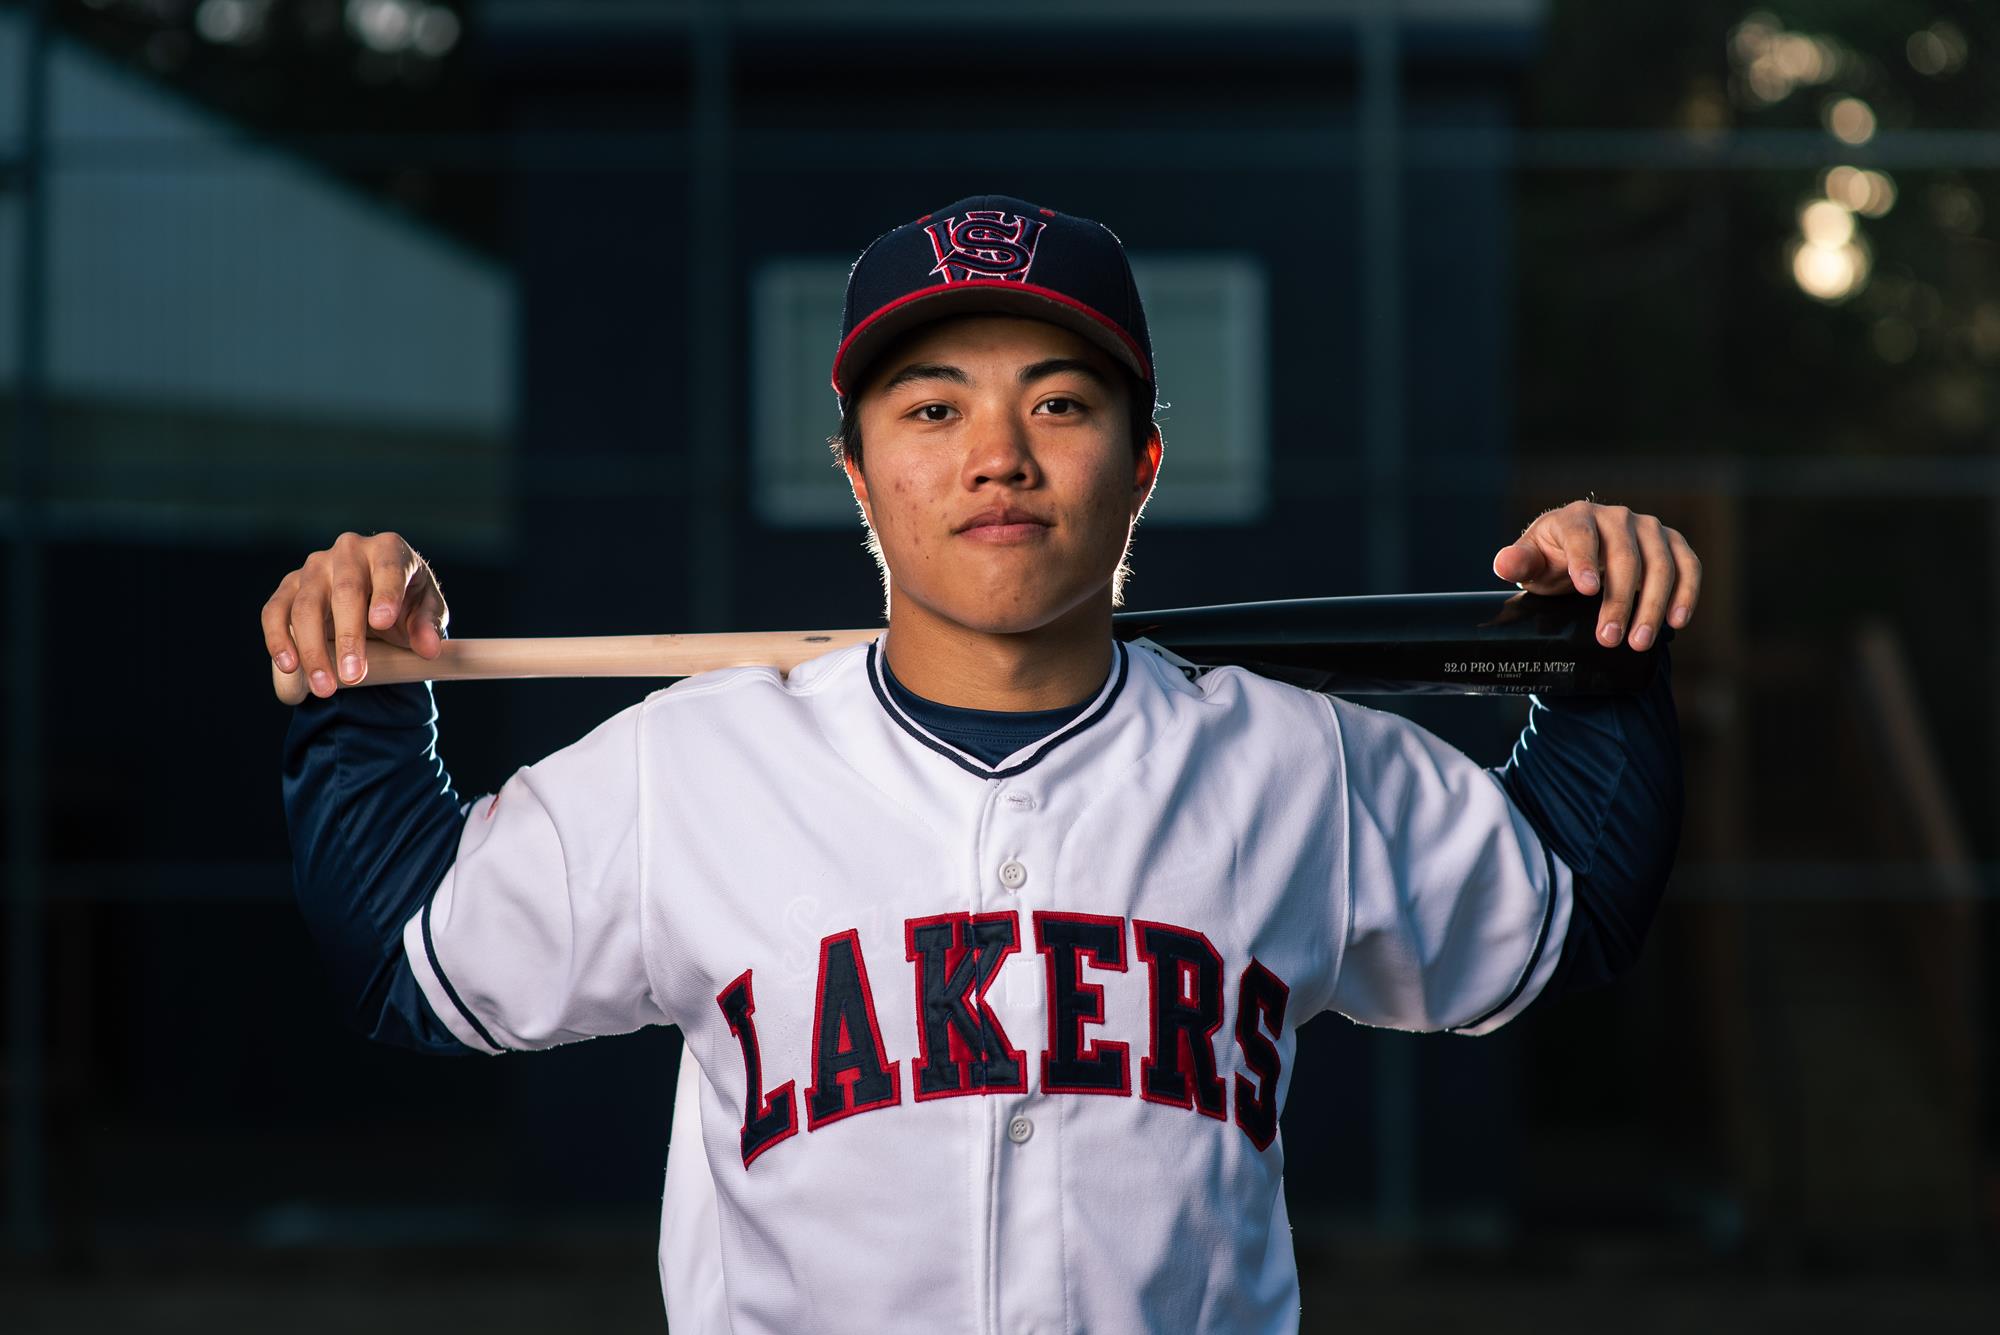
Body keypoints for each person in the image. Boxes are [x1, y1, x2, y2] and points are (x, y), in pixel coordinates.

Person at [268, 195, 1698, 1333]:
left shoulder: (1293, 767)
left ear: (1142, 463)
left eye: (1062, 405)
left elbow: (1570, 901)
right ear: (858, 473)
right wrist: (358, 688)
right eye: (932, 409)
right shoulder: (693, 768)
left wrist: (1610, 652)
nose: (997, 457)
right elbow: (408, 949)